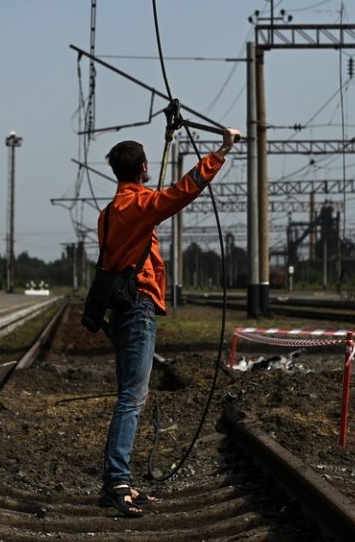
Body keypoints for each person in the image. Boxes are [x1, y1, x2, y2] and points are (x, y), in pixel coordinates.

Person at [96, 126, 239, 517]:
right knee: (132, 398)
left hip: (119, 309)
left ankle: (116, 479)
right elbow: (183, 190)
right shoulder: (141, 205)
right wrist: (222, 150)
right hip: (139, 306)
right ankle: (117, 482)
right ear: (143, 167)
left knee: (128, 394)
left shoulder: (107, 215)